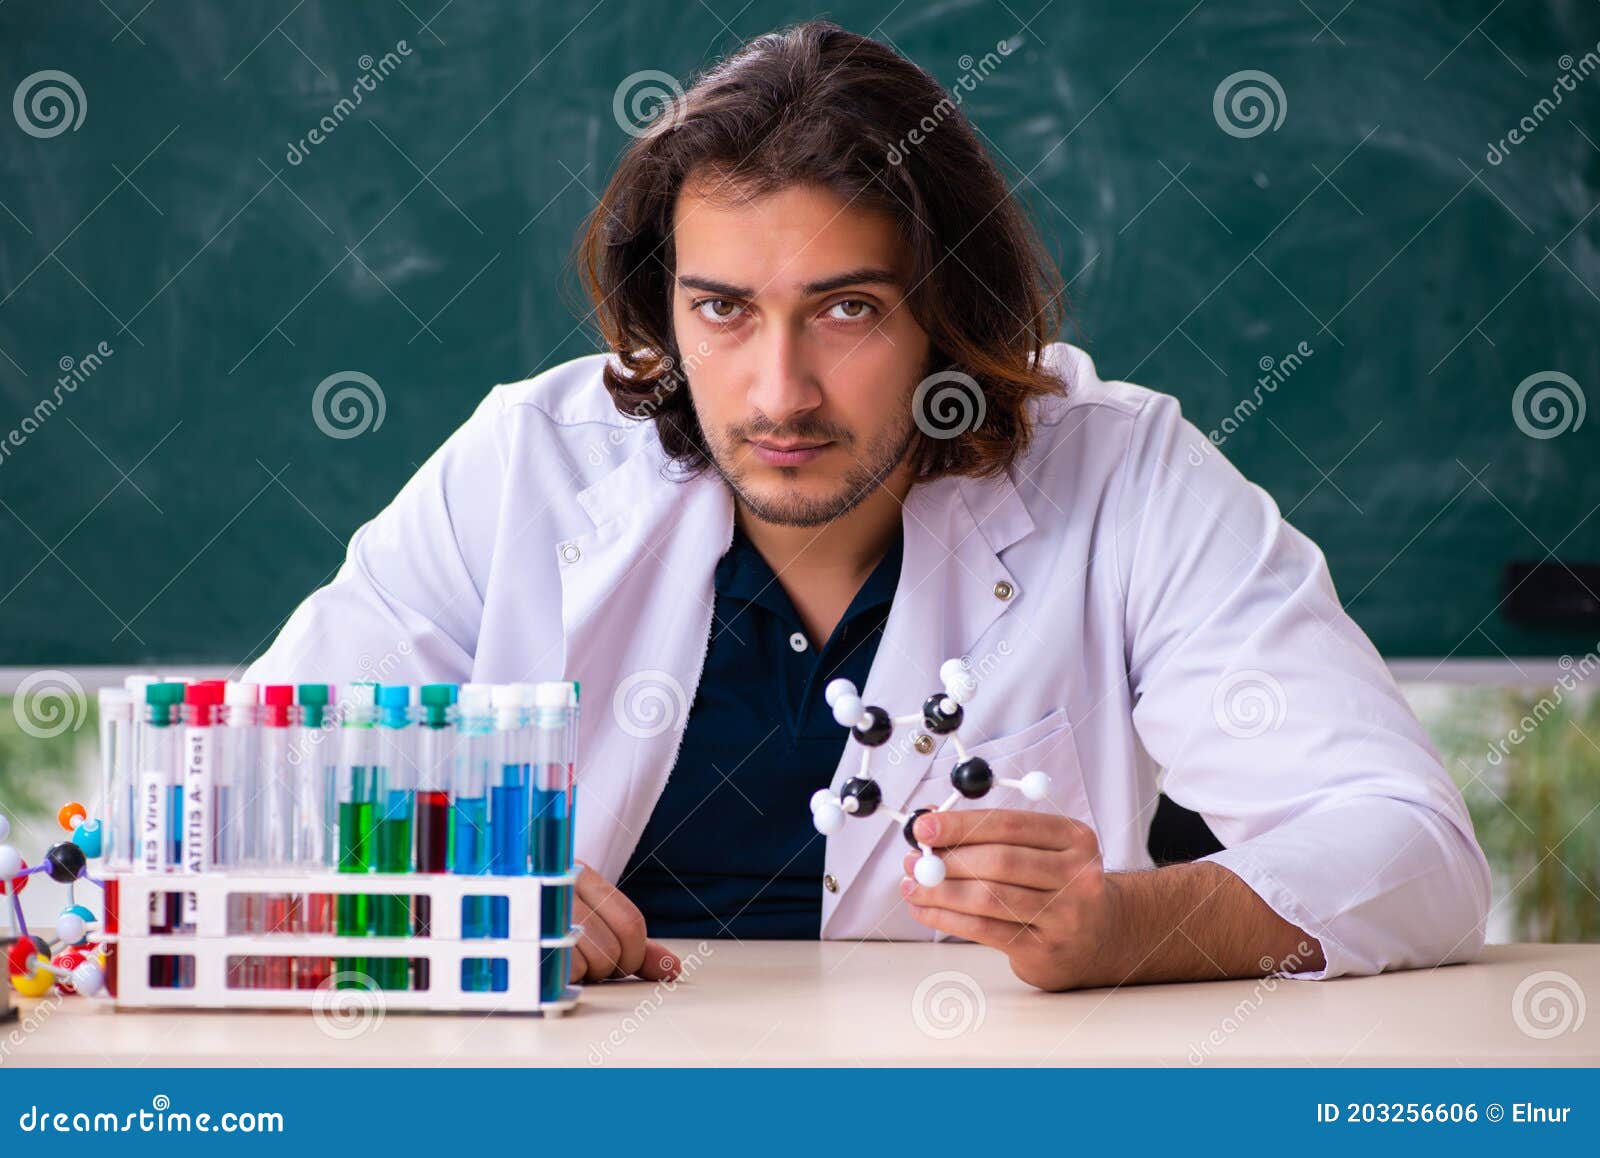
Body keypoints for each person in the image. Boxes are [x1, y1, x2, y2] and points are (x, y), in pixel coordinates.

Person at [244, 21, 1489, 992]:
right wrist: (440, 884)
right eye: (722, 309)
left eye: (846, 309)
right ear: (662, 313)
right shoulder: (529, 465)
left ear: (945, 310)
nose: (777, 391)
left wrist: (1120, 925)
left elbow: (1411, 852)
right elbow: (250, 778)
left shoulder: (1123, 473)